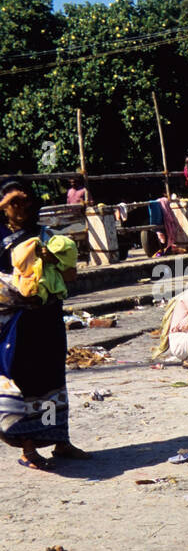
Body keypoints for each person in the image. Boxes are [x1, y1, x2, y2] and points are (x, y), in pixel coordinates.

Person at [0, 179, 89, 469]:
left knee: (53, 378)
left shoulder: (47, 234)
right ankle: (28, 448)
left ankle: (59, 441)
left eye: (25, 200)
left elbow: (71, 274)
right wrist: (19, 288)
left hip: (47, 317)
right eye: (13, 202)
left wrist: (52, 263)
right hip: (16, 320)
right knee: (26, 381)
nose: (21, 207)